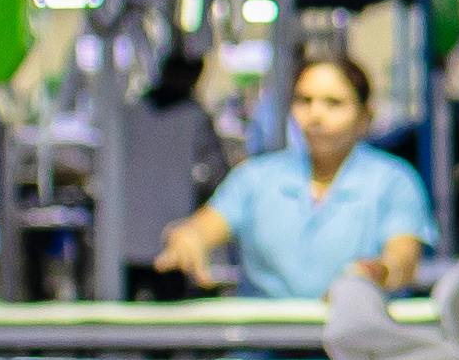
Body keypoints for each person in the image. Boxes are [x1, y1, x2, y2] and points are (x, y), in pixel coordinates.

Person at [156, 45, 434, 298]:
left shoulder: (394, 181)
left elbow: (403, 261)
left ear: (365, 116)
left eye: (333, 103)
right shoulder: (255, 177)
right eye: (304, 101)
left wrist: (376, 273)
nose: (316, 115)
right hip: (265, 346)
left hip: (359, 346)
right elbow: (205, 226)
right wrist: (189, 238)